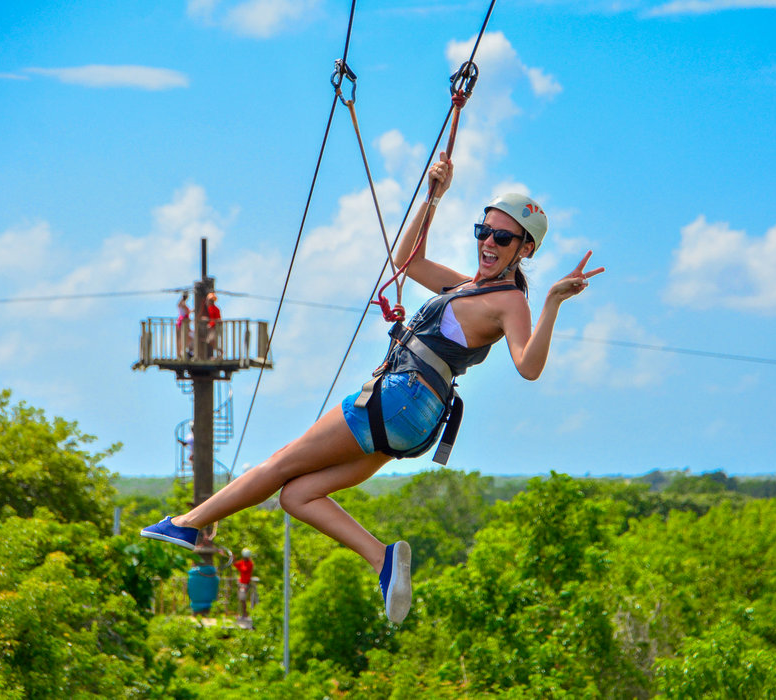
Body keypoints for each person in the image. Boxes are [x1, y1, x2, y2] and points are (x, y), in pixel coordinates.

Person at [142, 154, 604, 624]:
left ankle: (189, 524)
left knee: (281, 461)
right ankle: (382, 560)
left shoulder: (510, 301)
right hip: (414, 423)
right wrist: (433, 198)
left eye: (502, 238)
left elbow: (528, 367)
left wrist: (551, 302)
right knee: (296, 495)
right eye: (482, 232)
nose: (488, 242)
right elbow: (406, 261)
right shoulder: (470, 287)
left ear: (524, 250)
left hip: (399, 397)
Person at [233, 548, 255, 627]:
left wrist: (239, 566)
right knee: (241, 599)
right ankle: (242, 613)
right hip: (241, 583)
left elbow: (244, 570)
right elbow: (236, 564)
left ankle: (245, 613)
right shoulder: (242, 562)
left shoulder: (250, 564)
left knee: (243, 599)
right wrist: (233, 559)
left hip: (245, 584)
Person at [202, 292, 222, 359]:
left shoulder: (216, 309)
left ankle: (218, 353)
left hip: (215, 328)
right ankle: (215, 353)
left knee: (211, 341)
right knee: (208, 341)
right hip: (210, 328)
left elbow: (217, 320)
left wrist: (210, 323)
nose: (211, 301)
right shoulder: (207, 308)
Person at [176, 291, 192, 358]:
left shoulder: (182, 304)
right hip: (183, 322)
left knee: (187, 337)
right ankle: (180, 352)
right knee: (182, 337)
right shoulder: (181, 304)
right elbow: (185, 310)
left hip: (185, 322)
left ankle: (186, 351)